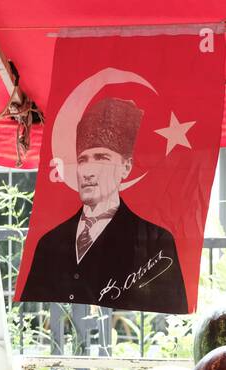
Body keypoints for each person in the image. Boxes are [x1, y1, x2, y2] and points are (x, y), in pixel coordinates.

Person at [21, 97, 188, 313]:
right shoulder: (49, 242)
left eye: (101, 157)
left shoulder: (155, 241)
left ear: (126, 167)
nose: (88, 171)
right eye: (82, 160)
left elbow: (169, 310)